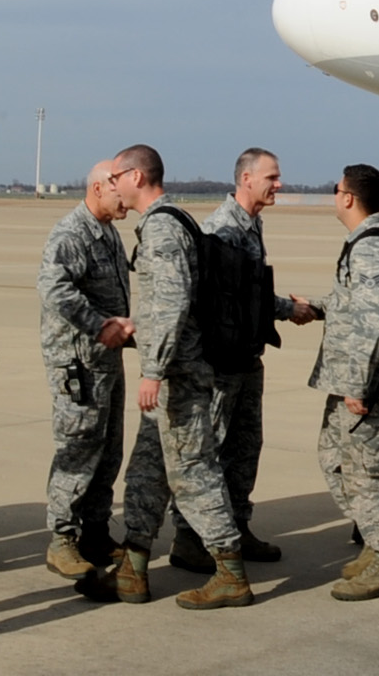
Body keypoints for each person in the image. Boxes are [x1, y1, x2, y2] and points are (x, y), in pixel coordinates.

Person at [113, 143, 254, 610]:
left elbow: (172, 304)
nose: (113, 185)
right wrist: (139, 329)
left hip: (178, 378)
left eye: (117, 176)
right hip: (172, 371)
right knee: (147, 473)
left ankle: (230, 573)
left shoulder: (163, 228)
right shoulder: (165, 223)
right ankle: (131, 570)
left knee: (194, 473)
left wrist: (152, 369)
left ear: (136, 176)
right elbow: (163, 307)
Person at [167, 147, 312, 574]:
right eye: (272, 177)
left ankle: (236, 526)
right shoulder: (222, 230)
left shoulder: (250, 224)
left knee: (245, 447)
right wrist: (289, 309)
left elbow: (249, 292)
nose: (278, 184)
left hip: (247, 357)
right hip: (222, 363)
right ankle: (190, 537)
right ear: (246, 178)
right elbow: (232, 298)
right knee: (210, 449)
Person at [309, 164, 379, 601]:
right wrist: (313, 307)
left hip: (368, 387)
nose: (335, 197)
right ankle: (375, 539)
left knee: (372, 474)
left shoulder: (371, 248)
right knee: (333, 459)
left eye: (336, 190)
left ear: (348, 197)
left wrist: (360, 385)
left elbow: (373, 322)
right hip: (349, 381)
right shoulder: (364, 242)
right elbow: (355, 306)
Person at [38, 160, 136, 582]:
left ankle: (95, 531)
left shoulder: (109, 233)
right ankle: (62, 538)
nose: (127, 202)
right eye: (120, 194)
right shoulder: (71, 233)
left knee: (107, 450)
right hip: (78, 364)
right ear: (99, 187)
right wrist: (99, 325)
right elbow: (53, 288)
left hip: (105, 363)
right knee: (78, 450)